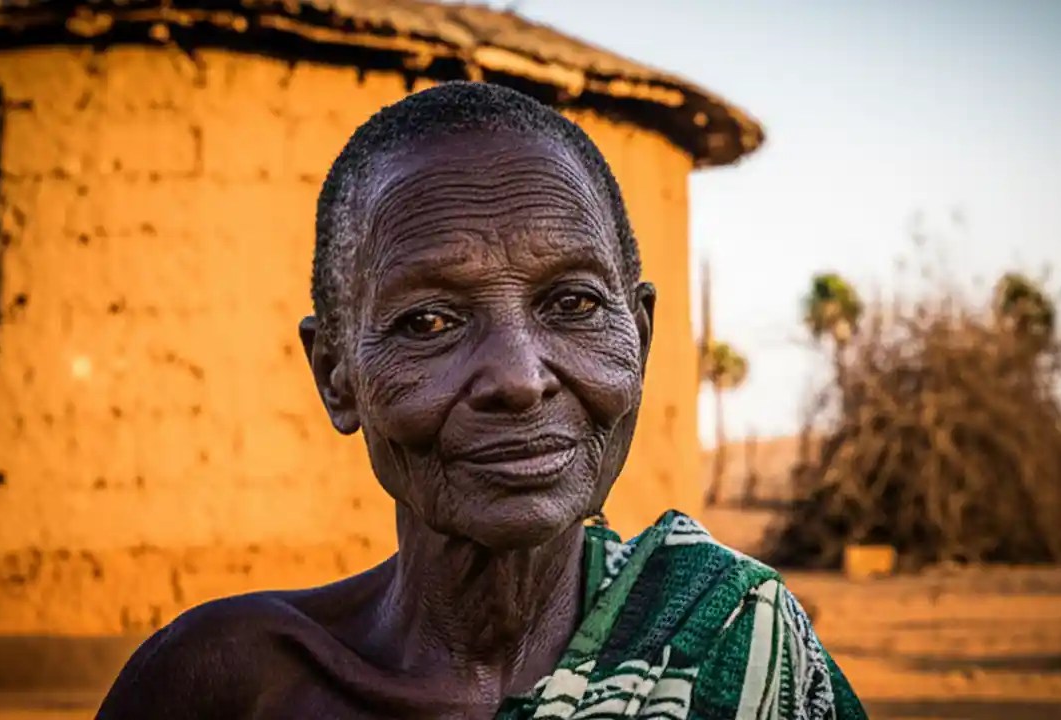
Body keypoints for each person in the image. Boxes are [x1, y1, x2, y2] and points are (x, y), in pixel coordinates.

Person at [97, 81, 867, 720]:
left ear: (639, 337)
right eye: (429, 322)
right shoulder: (225, 688)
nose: (520, 378)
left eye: (573, 305)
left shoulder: (733, 643)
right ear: (336, 375)